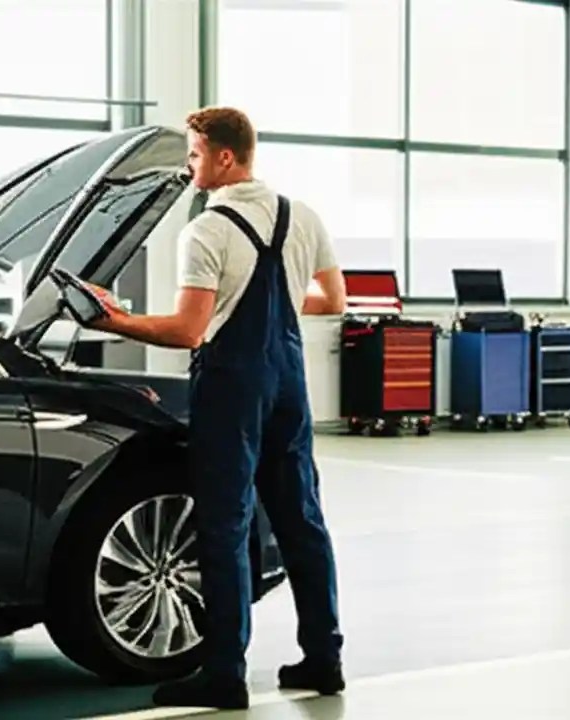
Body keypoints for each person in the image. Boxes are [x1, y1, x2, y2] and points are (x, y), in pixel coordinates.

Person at [86, 106, 348, 710]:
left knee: (225, 525)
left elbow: (187, 331)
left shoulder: (205, 229)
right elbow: (333, 299)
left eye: (195, 155)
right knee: (302, 520)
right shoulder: (300, 214)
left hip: (233, 385)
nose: (190, 165)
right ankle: (324, 659)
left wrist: (115, 318)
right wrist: (274, 298)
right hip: (288, 381)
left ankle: (224, 671)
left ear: (225, 157)